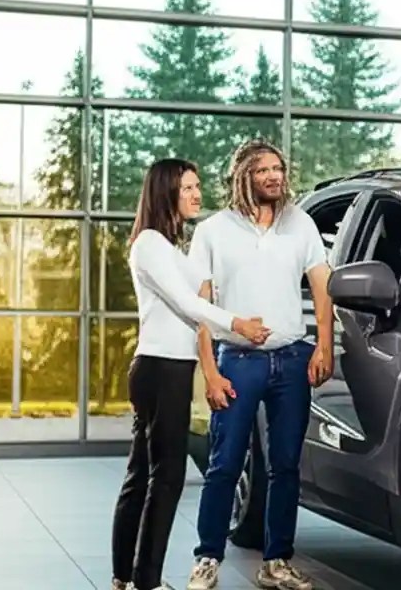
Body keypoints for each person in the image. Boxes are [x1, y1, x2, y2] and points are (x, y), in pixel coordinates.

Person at [111, 158, 271, 590]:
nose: (197, 194)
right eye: (188, 188)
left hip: (165, 368)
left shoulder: (169, 246)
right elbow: (188, 304)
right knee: (165, 478)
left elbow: (201, 290)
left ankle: (124, 579)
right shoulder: (148, 243)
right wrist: (237, 323)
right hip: (161, 369)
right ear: (165, 192)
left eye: (198, 186)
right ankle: (145, 581)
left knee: (142, 473)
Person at [186, 139, 335, 590]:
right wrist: (210, 372)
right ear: (242, 177)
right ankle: (207, 557)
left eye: (278, 168)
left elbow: (323, 286)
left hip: (293, 361)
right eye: (263, 170)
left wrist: (323, 344)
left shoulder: (301, 224)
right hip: (238, 362)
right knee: (225, 462)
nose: (274, 176)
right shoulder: (213, 231)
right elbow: (201, 307)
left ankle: (276, 563)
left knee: (286, 465)